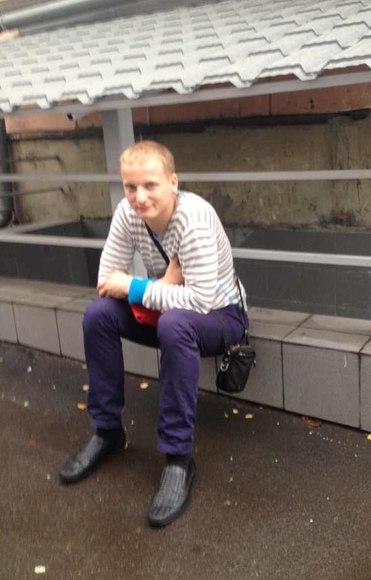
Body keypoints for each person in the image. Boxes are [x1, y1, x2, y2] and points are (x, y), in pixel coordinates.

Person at [58, 140, 247, 527]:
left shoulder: (194, 219)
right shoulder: (128, 214)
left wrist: (137, 286)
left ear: (173, 182)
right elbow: (106, 281)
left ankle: (178, 458)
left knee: (175, 324)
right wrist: (164, 283)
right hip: (169, 307)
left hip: (221, 315)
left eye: (150, 185)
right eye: (130, 186)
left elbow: (198, 302)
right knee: (99, 315)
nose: (139, 197)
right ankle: (107, 432)